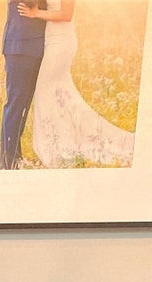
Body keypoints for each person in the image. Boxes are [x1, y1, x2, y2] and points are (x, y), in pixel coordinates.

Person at [17, 0, 136, 167]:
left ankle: (60, 145)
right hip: (51, 41)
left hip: (61, 42)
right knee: (61, 95)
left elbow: (66, 15)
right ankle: (64, 140)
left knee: (45, 92)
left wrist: (37, 14)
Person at [0, 0, 47, 169]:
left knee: (23, 105)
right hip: (19, 46)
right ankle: (7, 161)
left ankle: (15, 158)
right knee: (15, 104)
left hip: (34, 46)